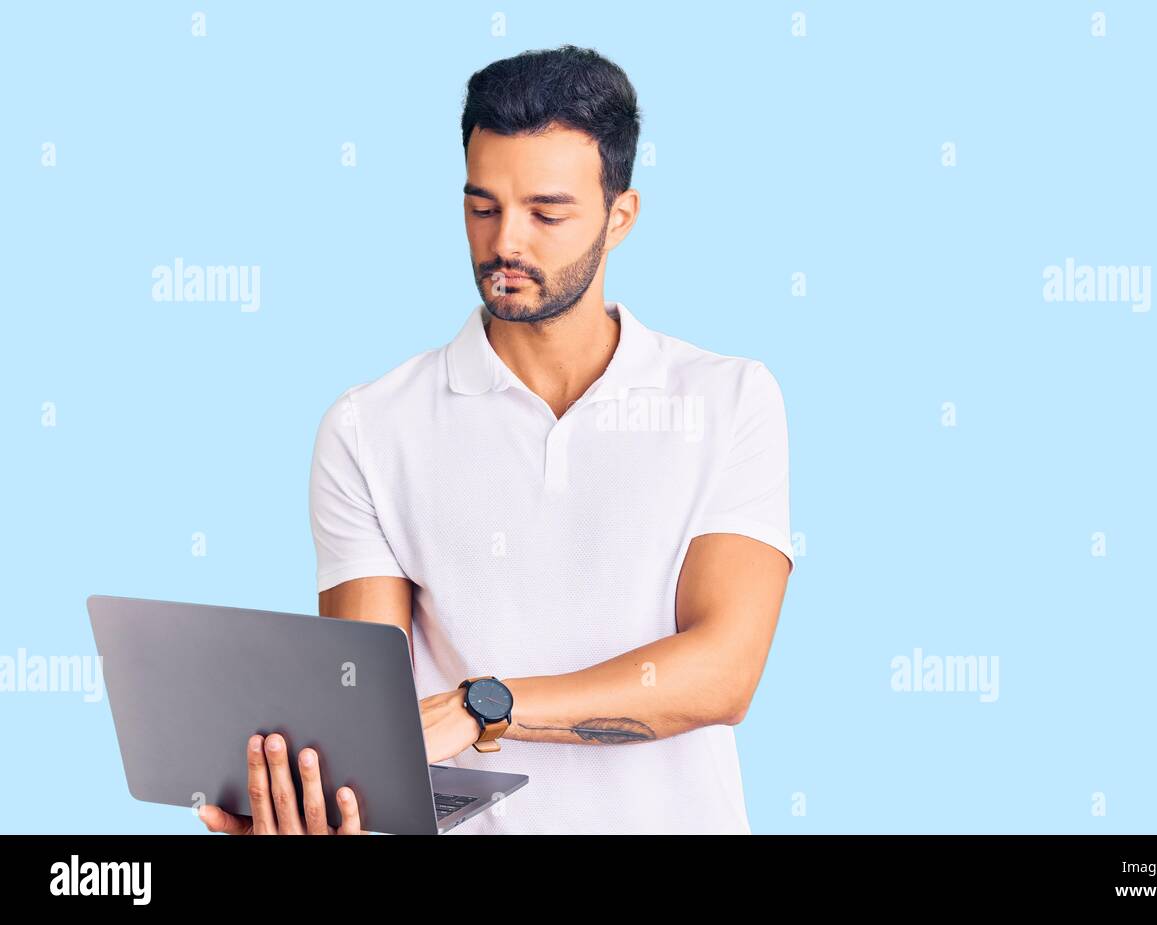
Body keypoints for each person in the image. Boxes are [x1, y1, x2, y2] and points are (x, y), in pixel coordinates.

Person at [200, 44, 793, 836]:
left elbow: (723, 671)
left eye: (547, 213)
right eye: (483, 207)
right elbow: (366, 714)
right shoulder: (369, 427)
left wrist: (488, 705)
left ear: (621, 217)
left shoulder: (729, 399)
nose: (506, 242)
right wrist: (313, 807)